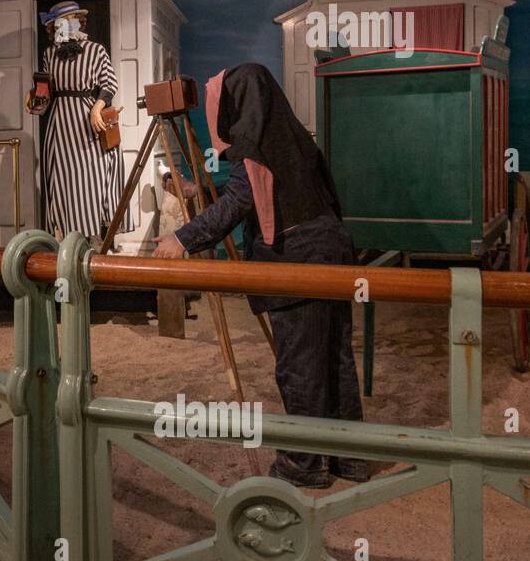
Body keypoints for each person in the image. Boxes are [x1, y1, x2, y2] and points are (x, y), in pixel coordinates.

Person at [153, 63, 368, 488]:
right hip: (331, 250)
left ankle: (304, 464)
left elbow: (240, 198)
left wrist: (182, 238)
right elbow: (253, 183)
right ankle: (352, 456)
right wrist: (204, 189)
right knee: (333, 358)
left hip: (298, 259)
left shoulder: (254, 144)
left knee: (301, 366)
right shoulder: (288, 135)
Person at [36, 1, 126, 243]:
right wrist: (35, 98)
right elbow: (46, 90)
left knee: (91, 177)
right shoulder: (49, 54)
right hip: (60, 122)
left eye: (74, 19)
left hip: (86, 121)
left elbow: (109, 84)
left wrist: (97, 108)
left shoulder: (95, 50)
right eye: (64, 20)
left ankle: (93, 236)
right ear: (55, 26)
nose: (70, 24)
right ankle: (67, 238)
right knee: (62, 179)